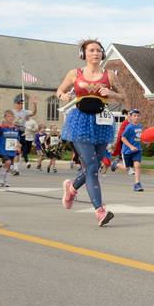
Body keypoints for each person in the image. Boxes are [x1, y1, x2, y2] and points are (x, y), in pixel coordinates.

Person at [57, 39, 121, 227]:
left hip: (101, 123)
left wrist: (112, 93)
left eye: (99, 50)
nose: (96, 53)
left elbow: (125, 96)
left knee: (94, 166)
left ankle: (71, 188)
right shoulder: (74, 73)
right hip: (80, 121)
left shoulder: (110, 75)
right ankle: (100, 211)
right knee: (92, 165)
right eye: (91, 50)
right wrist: (64, 96)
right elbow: (59, 91)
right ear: (83, 54)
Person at [0, 110, 21, 187]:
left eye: (12, 116)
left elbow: (17, 138)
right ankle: (1, 176)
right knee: (7, 162)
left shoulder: (15, 128)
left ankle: (5, 180)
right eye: (8, 116)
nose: (11, 118)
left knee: (9, 165)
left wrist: (18, 145)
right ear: (5, 117)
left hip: (12, 149)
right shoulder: (1, 127)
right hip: (3, 149)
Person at [119, 109, 144, 192]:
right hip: (127, 151)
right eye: (134, 116)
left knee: (137, 166)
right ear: (131, 117)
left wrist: (145, 141)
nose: (136, 117)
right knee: (126, 168)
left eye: (138, 116)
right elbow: (123, 138)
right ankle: (116, 164)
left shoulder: (140, 126)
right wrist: (131, 146)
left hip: (137, 150)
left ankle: (137, 184)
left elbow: (140, 137)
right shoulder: (129, 127)